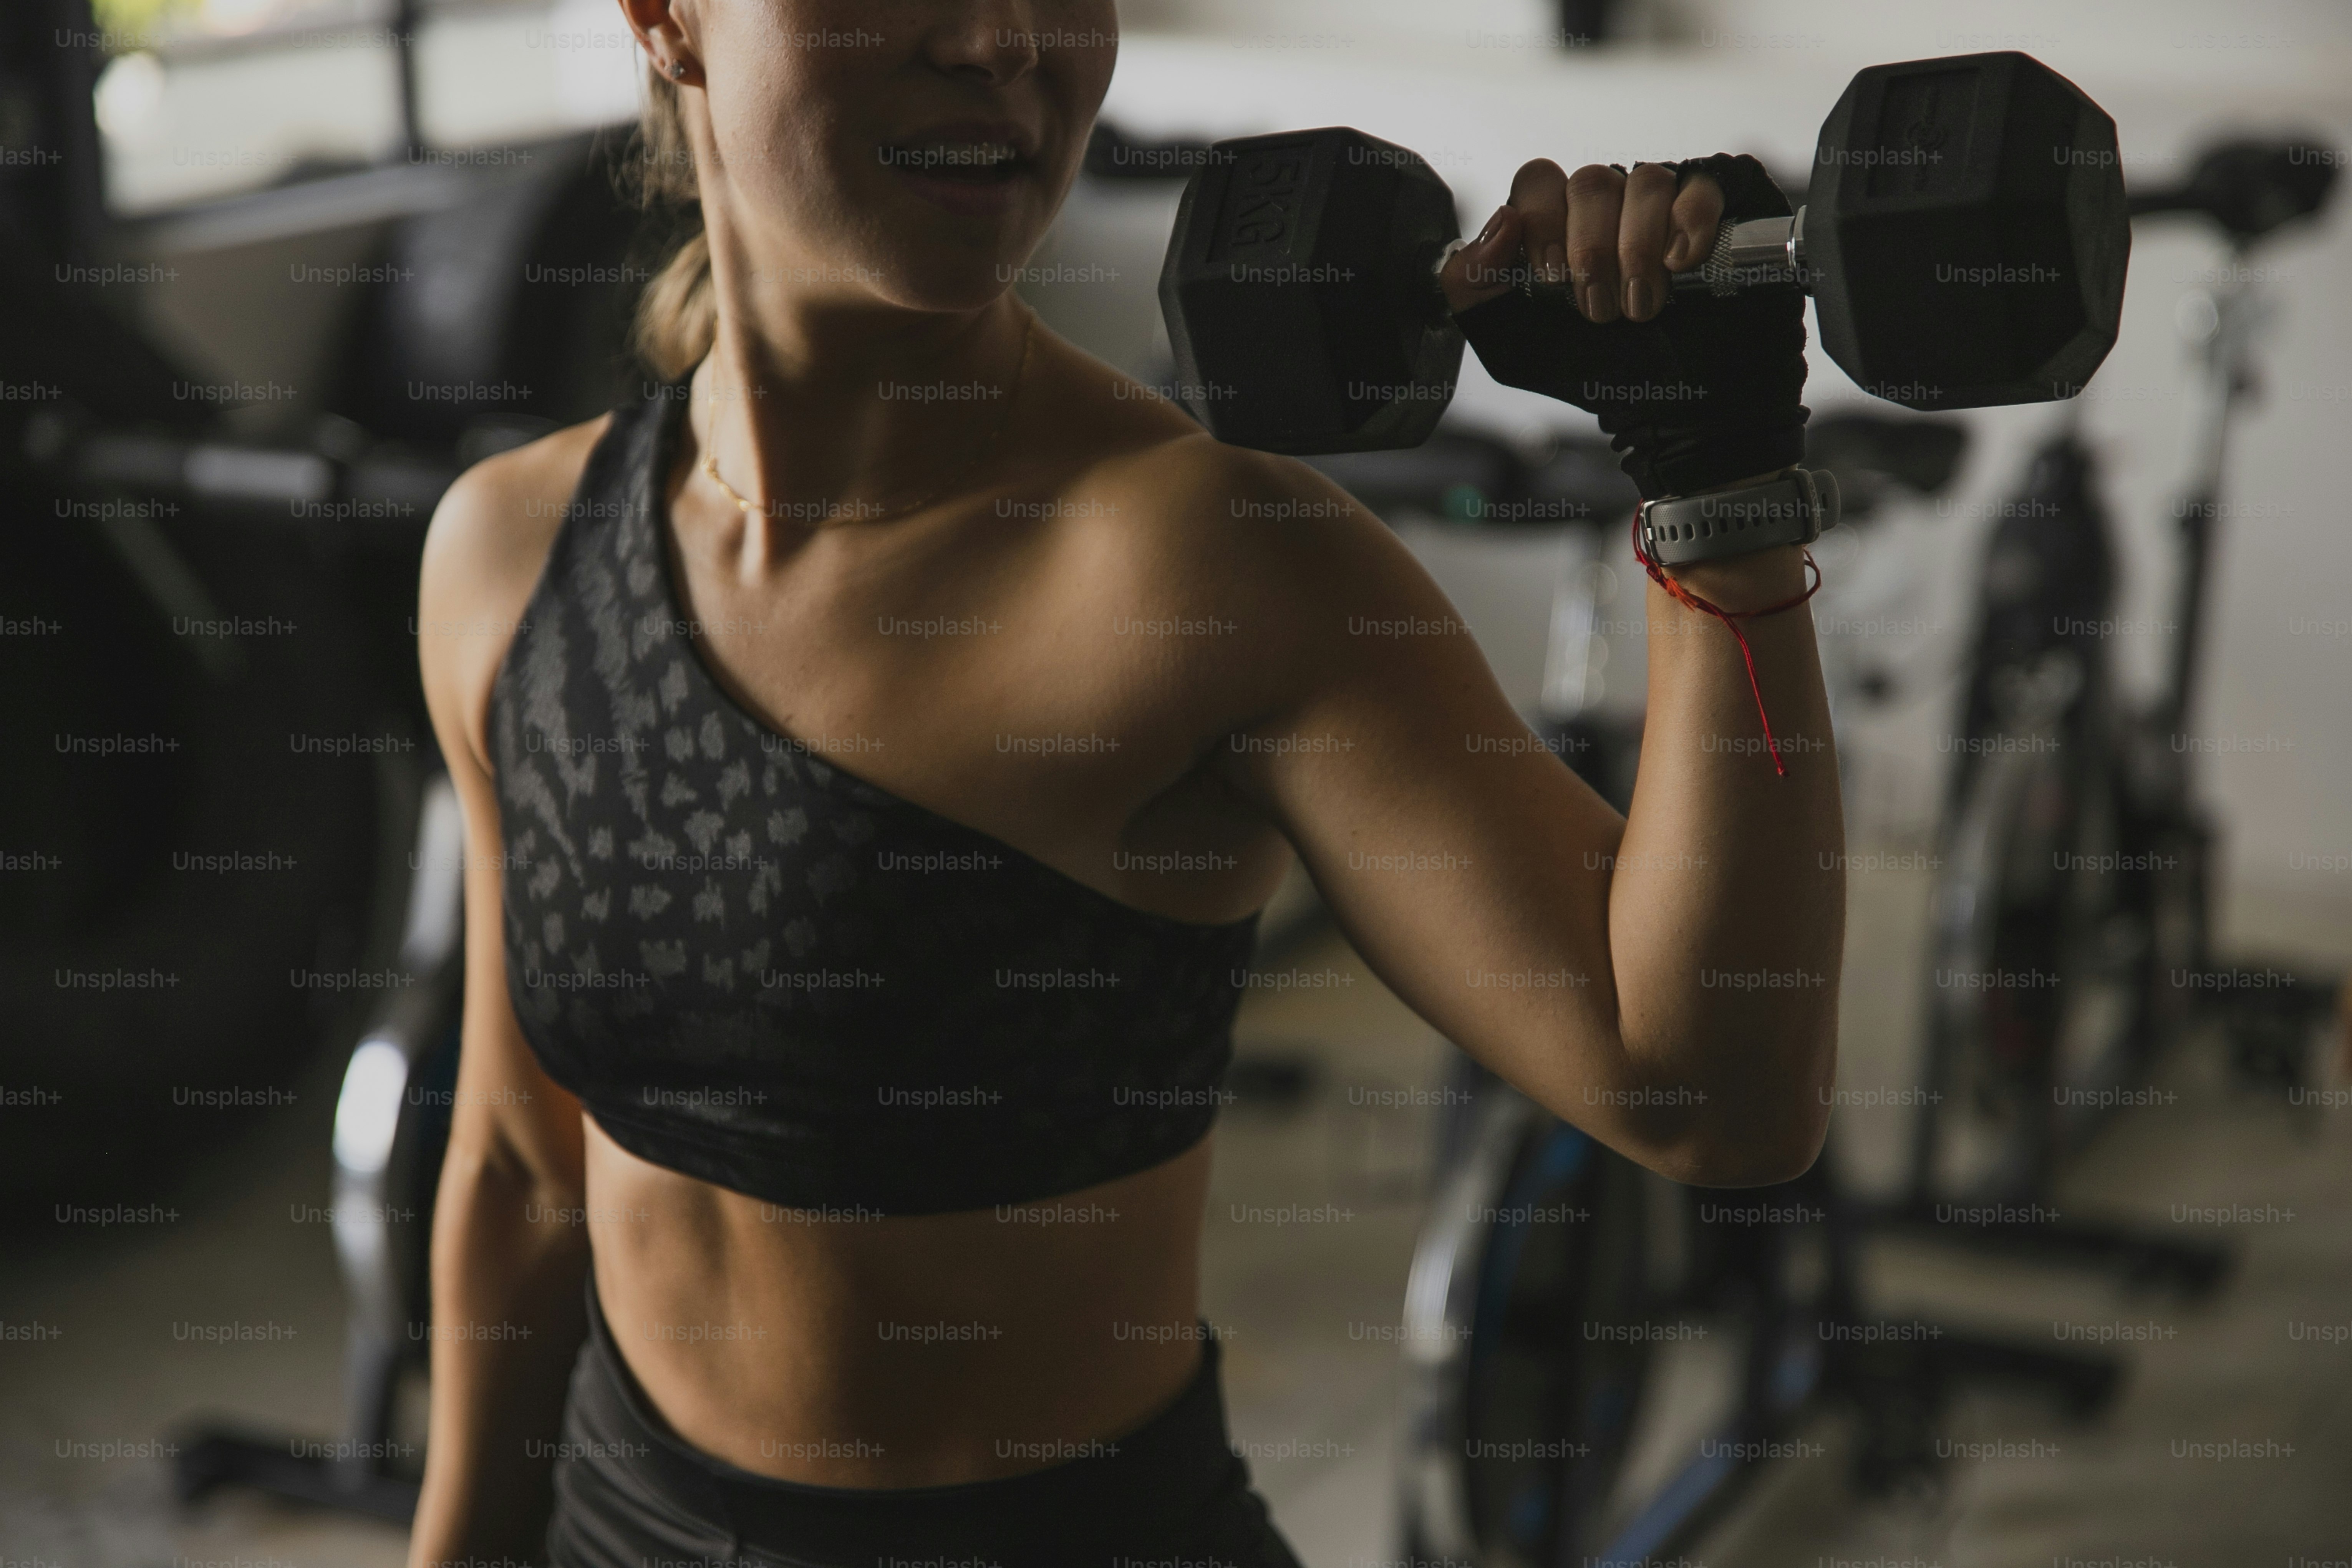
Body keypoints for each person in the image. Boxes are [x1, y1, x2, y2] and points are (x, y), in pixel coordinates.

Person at [404, 4, 1845, 1565]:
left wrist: (1718, 485)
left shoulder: (1209, 562)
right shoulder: (509, 549)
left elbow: (1713, 1095)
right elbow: (521, 1162)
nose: (1004, 39)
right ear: (666, 21)